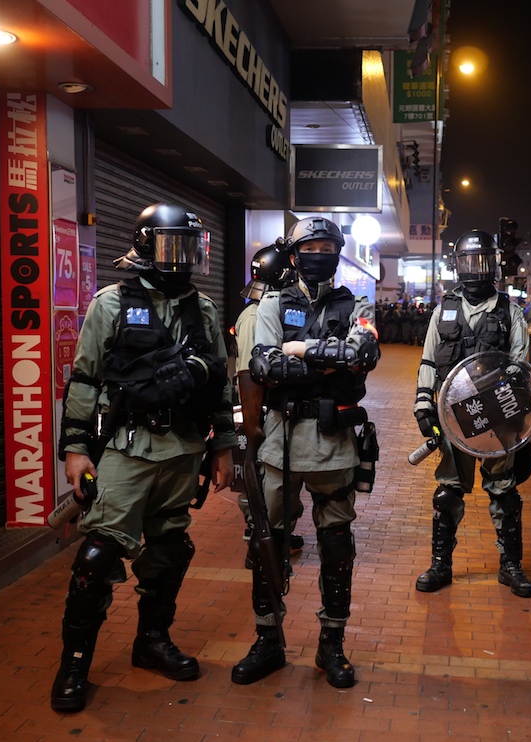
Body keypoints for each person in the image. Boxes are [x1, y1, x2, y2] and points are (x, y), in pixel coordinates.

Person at [52, 203, 237, 712]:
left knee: (170, 550)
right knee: (97, 556)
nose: (180, 258)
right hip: (126, 449)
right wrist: (74, 451)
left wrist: (223, 445)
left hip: (183, 450)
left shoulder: (202, 309)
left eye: (189, 247)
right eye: (170, 246)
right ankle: (74, 663)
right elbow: (85, 380)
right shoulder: (110, 304)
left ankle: (151, 642)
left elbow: (219, 384)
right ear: (146, 244)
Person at [231, 215, 380, 689]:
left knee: (337, 545)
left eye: (327, 246)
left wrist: (298, 350)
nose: (319, 253)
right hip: (279, 441)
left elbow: (362, 355)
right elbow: (261, 364)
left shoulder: (356, 302)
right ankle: (267, 640)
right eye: (310, 246)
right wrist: (325, 357)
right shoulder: (274, 301)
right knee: (266, 540)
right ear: (294, 255)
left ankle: (331, 645)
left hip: (334, 443)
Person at [413, 230, 531, 598]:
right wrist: (422, 405)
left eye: (481, 262)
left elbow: (521, 365)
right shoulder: (443, 310)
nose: (474, 270)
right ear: (457, 266)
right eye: (467, 262)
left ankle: (510, 566)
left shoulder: (510, 312)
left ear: (494, 265)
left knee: (504, 491)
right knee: (448, 492)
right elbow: (429, 361)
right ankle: (440, 565)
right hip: (451, 419)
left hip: (497, 418)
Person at [233, 242, 304, 555]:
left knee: (279, 482)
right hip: (259, 408)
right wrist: (253, 424)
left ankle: (278, 532)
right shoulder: (256, 314)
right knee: (262, 478)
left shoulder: (271, 309)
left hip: (276, 407)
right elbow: (249, 373)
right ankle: (258, 539)